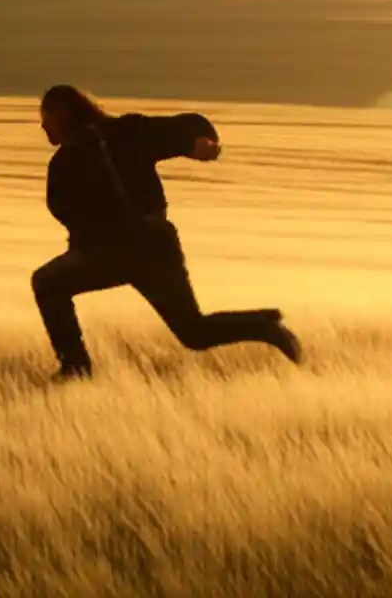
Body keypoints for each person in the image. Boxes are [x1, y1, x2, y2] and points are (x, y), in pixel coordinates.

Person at [31, 84, 302, 382]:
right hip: (154, 248)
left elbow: (189, 126)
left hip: (112, 254)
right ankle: (265, 326)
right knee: (194, 331)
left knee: (46, 283)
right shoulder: (126, 132)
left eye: (46, 116)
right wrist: (198, 143)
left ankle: (75, 368)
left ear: (64, 114)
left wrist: (198, 142)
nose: (43, 125)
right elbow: (190, 126)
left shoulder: (106, 142)